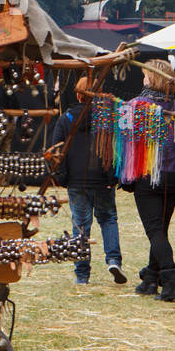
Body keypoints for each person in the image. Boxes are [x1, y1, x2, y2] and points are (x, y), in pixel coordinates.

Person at [53, 76, 125, 285]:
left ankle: (82, 274)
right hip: (102, 178)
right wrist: (113, 175)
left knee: (81, 226)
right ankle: (113, 260)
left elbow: (57, 151)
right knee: (108, 219)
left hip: (77, 181)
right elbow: (116, 149)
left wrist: (63, 177)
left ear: (77, 94)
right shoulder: (108, 118)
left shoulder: (66, 118)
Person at [124, 60, 175, 301]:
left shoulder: (134, 106)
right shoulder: (174, 107)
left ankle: (171, 280)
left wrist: (124, 175)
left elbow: (124, 142)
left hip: (147, 176)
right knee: (160, 231)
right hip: (173, 176)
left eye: (145, 76)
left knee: (155, 231)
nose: (143, 80)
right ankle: (150, 279)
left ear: (152, 79)